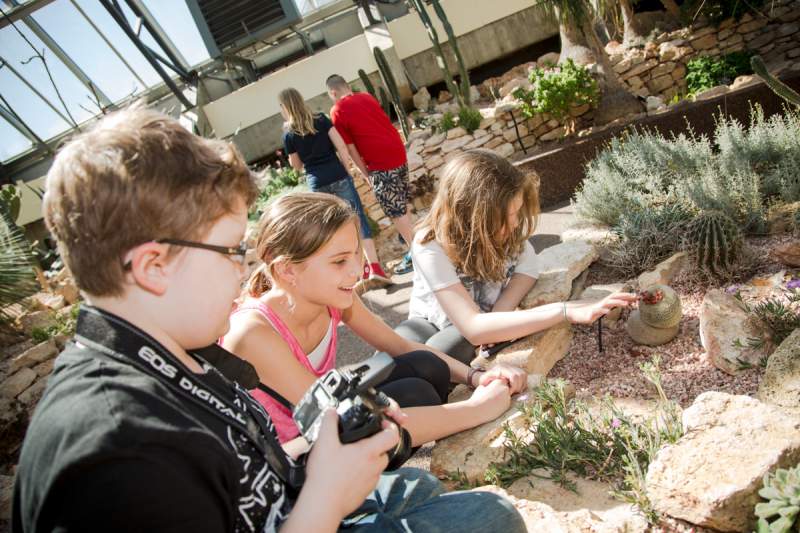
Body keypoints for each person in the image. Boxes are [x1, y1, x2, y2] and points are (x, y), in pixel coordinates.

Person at [11, 109, 527, 533]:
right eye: (230, 251)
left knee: (438, 492)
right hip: (308, 512)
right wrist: (327, 495)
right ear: (153, 266)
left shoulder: (173, 352)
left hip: (294, 497)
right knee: (492, 517)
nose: (242, 272)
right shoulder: (120, 446)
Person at [221, 191, 528, 455]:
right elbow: (337, 417)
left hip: (325, 421)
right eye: (340, 261)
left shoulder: (331, 294)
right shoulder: (252, 333)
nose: (356, 270)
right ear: (288, 270)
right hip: (292, 454)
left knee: (424, 365)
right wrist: (478, 409)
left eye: (357, 254)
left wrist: (477, 378)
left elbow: (400, 345)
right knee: (415, 397)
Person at [402, 149, 639, 365]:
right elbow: (473, 326)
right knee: (401, 353)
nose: (516, 222)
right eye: (509, 215)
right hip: (431, 323)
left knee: (442, 351)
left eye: (516, 211)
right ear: (476, 218)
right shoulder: (429, 243)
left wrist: (495, 323)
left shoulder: (511, 240)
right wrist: (565, 310)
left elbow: (524, 275)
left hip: (463, 331)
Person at [278, 87, 391, 285]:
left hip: (317, 184)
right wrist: (347, 169)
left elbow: (296, 166)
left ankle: (355, 274)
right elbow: (341, 146)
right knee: (358, 220)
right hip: (337, 174)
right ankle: (374, 267)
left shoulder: (289, 134)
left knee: (333, 231)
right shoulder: (321, 120)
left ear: (284, 107)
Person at [326, 73, 414, 275]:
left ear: (333, 92)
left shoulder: (337, 110)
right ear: (347, 86)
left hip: (380, 161)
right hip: (397, 152)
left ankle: (418, 253)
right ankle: (415, 247)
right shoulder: (367, 96)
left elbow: (349, 148)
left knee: (395, 210)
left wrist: (365, 173)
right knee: (402, 202)